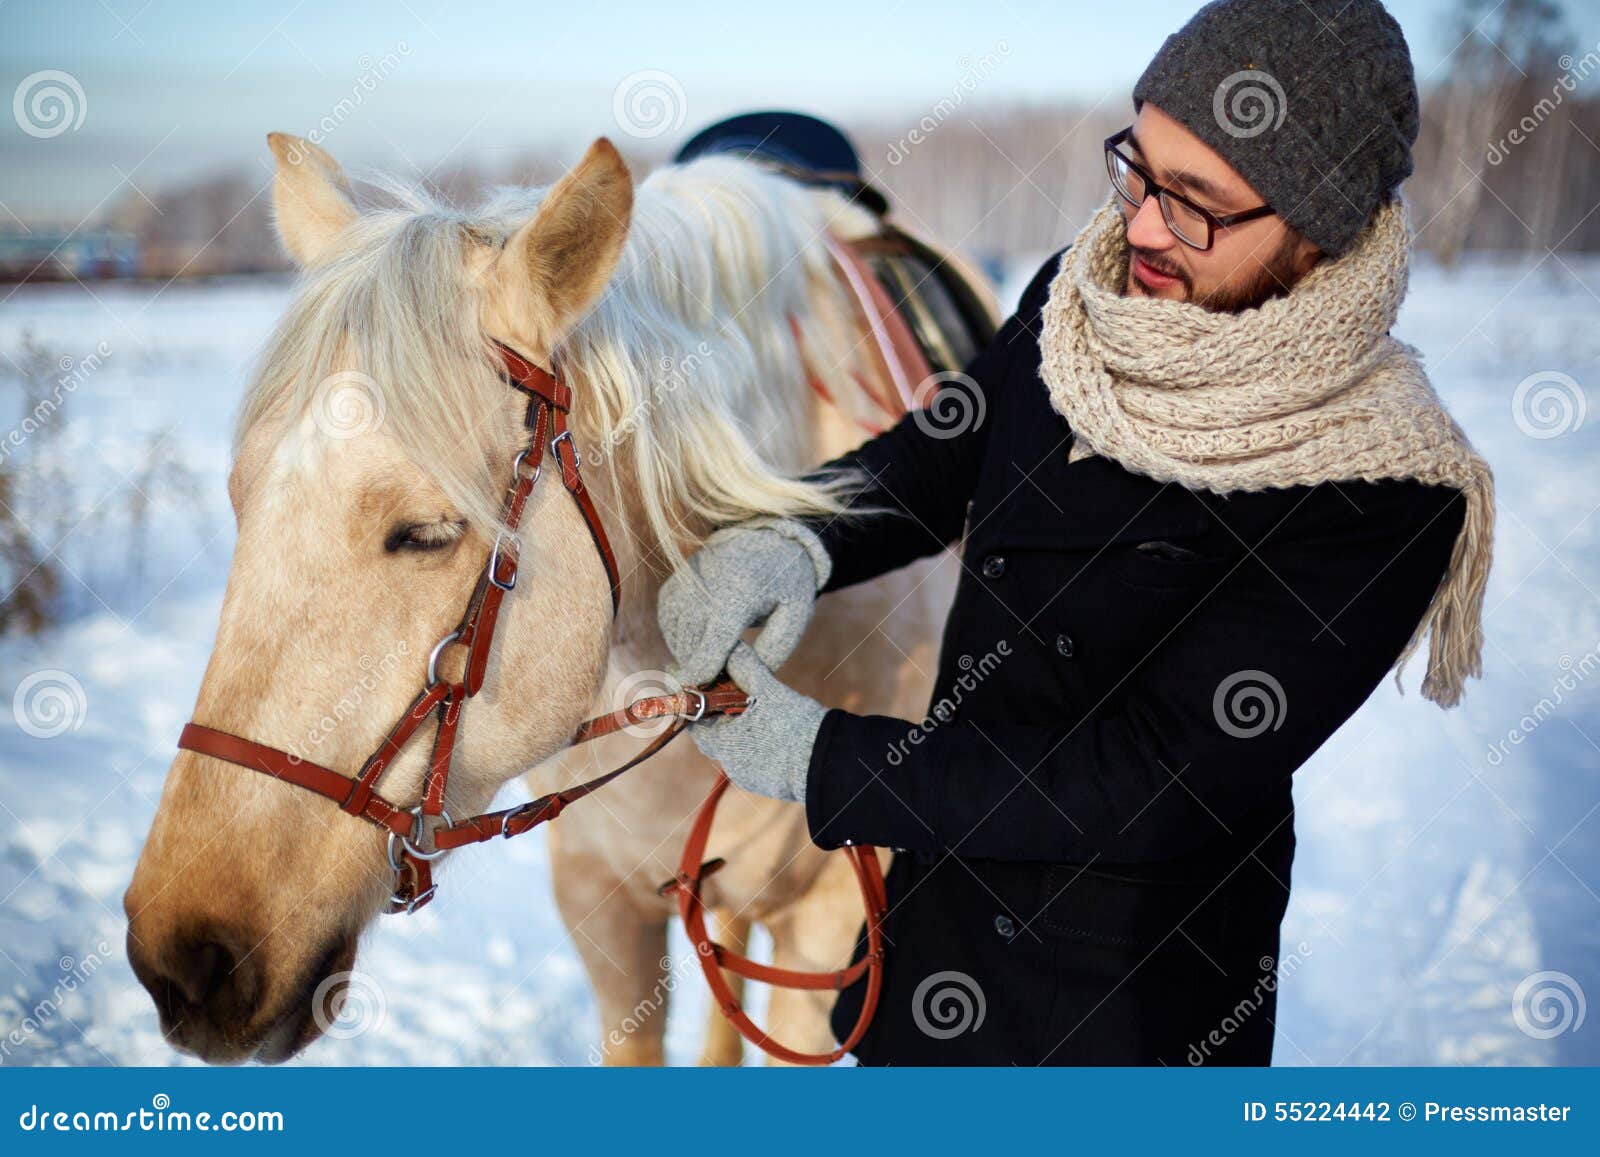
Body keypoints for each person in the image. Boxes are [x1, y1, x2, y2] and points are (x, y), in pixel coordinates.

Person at [657, 0, 1495, 1065]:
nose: (1141, 225)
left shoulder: (1382, 482)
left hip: (1120, 1017)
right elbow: (935, 456)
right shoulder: (1078, 295)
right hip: (930, 960)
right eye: (1136, 170)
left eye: (1195, 203)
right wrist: (794, 539)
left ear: (1317, 226)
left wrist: (828, 758)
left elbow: (1152, 779)